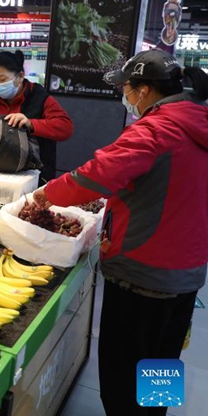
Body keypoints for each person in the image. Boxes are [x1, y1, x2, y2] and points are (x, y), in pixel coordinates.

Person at [32, 50, 208, 416]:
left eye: (126, 88)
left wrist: (46, 194)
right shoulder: (198, 123)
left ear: (144, 90)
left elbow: (97, 174)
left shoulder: (158, 129)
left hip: (143, 270)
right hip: (187, 271)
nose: (124, 95)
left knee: (121, 377)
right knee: (161, 360)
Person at [0, 51, 73, 182]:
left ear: (20, 76)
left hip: (33, 179)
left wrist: (31, 124)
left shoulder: (39, 98)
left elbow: (65, 127)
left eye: (3, 79)